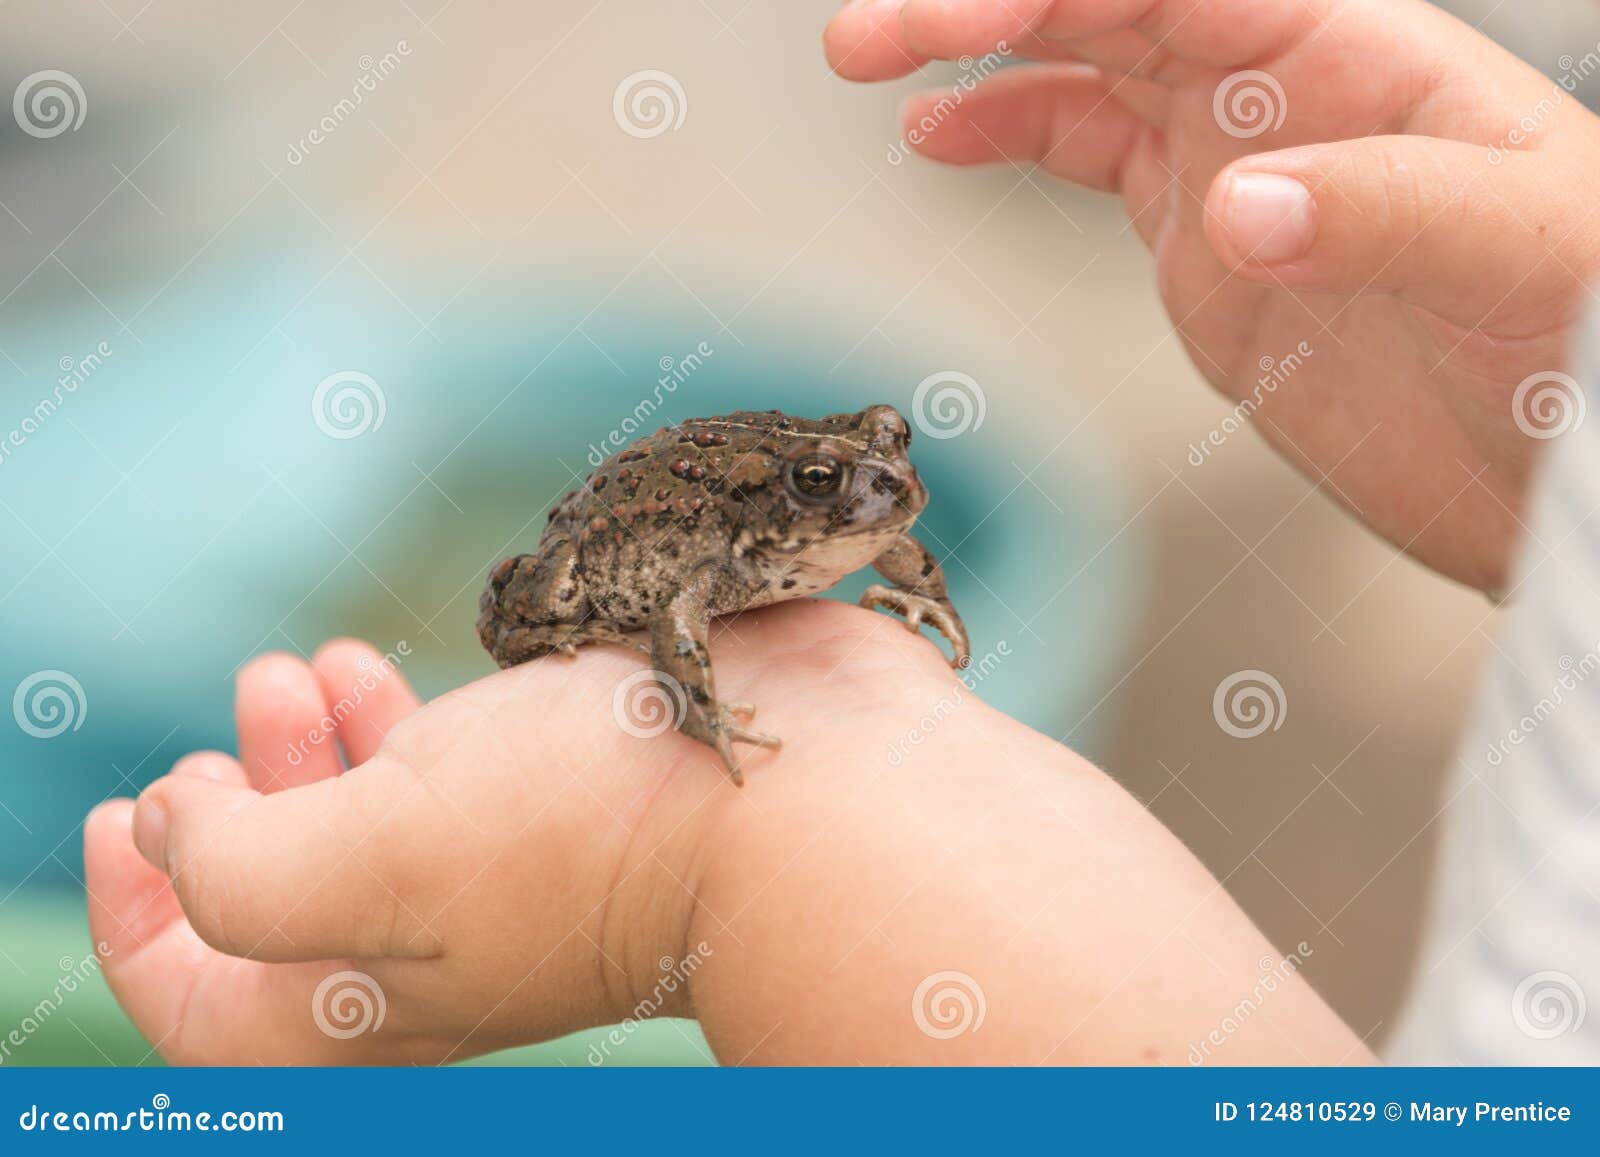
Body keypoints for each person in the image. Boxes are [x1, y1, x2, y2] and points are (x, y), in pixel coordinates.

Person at [85, 0, 1600, 1063]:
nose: (879, 503)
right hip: (625, 541)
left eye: (889, 473)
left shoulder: (841, 525)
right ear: (788, 504)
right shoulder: (740, 538)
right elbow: (676, 608)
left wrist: (708, 856)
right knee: (527, 598)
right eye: (849, 487)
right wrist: (1546, 435)